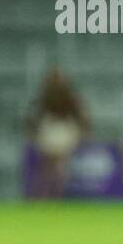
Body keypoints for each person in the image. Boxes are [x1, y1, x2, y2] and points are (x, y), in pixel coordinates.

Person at [27, 68, 89, 198]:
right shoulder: (43, 98)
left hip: (65, 130)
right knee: (48, 167)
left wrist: (82, 134)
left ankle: (55, 193)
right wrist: (32, 134)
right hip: (48, 129)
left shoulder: (71, 98)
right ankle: (44, 194)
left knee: (57, 167)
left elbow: (81, 118)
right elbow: (32, 118)